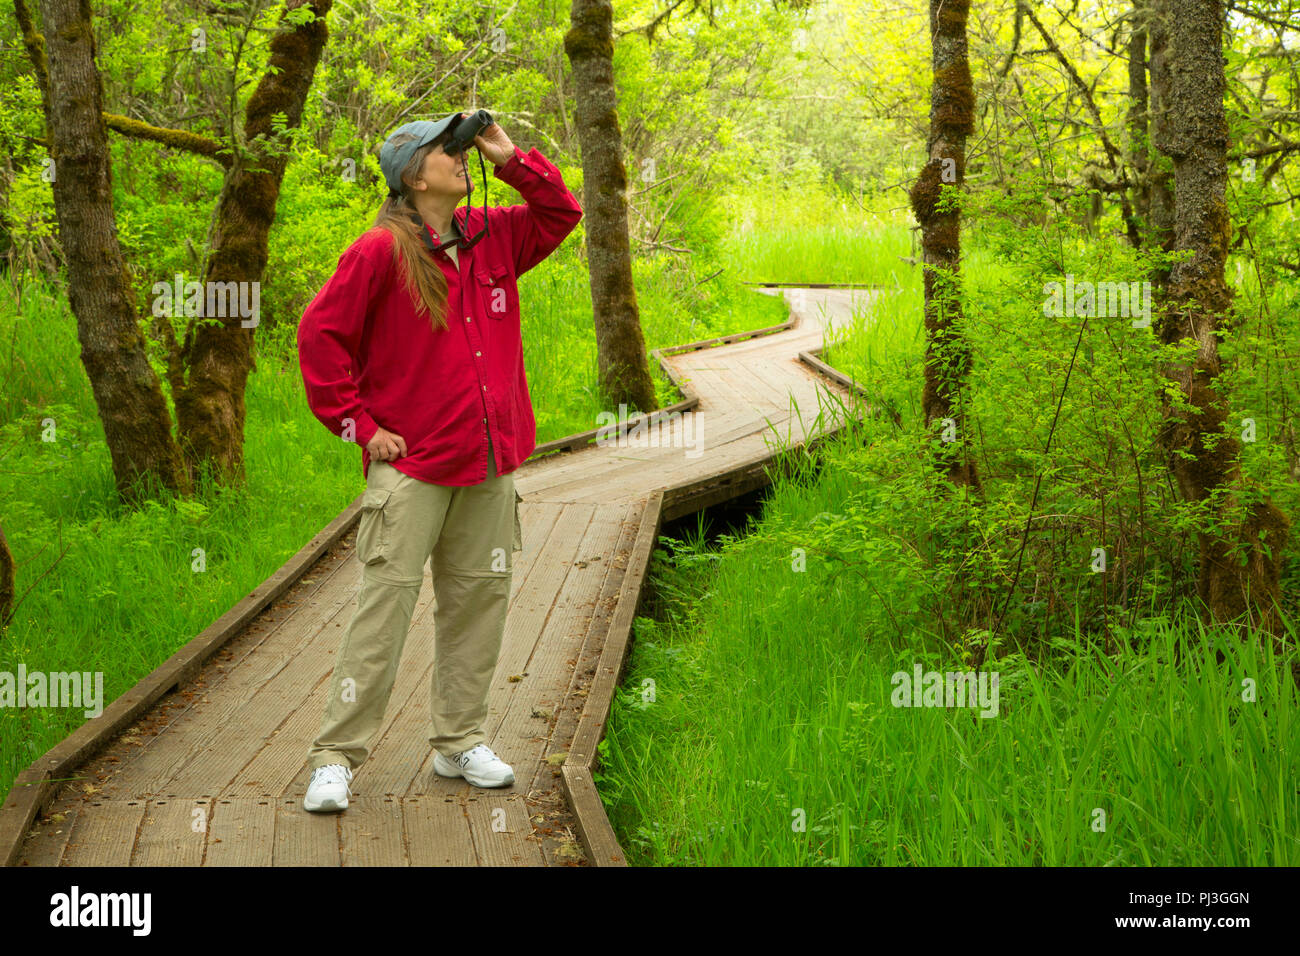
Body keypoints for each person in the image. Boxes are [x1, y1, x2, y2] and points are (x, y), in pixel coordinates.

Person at [296, 111, 583, 812]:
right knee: (382, 612)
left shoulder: (495, 234)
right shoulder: (378, 252)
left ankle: (460, 740)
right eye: (444, 151)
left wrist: (509, 156)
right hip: (414, 467)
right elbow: (320, 337)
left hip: (489, 460)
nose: (460, 158)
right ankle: (335, 758)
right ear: (411, 175)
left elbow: (561, 210)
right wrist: (358, 426)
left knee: (477, 605)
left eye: (461, 149)